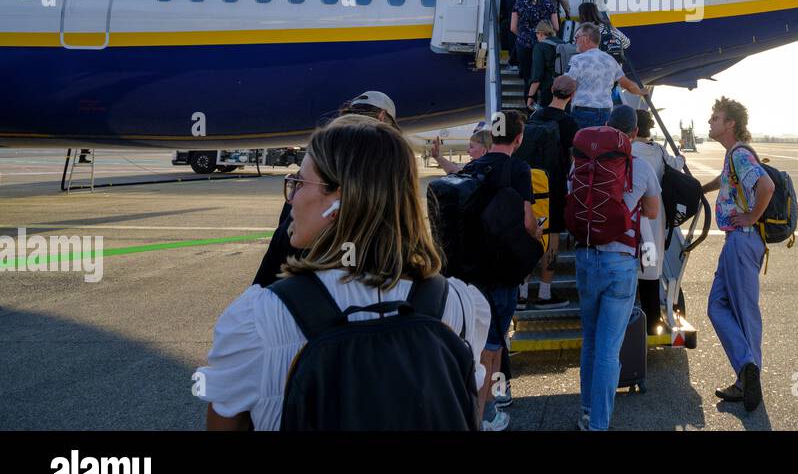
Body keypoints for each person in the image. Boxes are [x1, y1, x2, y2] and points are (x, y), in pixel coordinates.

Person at [198, 114, 491, 430]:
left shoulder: (260, 318)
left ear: (338, 201)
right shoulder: (460, 304)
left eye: (299, 182)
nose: (291, 198)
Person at [251, 91, 398, 288]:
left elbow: (270, 271)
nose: (292, 199)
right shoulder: (389, 201)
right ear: (382, 116)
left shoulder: (304, 196)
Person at [456, 109, 544, 431]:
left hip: (471, 270)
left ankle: (486, 404)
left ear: (491, 136)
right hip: (502, 270)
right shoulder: (518, 169)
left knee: (481, 341)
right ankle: (484, 413)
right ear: (518, 139)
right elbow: (526, 218)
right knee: (492, 347)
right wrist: (535, 236)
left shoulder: (472, 167)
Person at [574, 104, 660, 431]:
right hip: (620, 263)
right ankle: (598, 423)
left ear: (607, 126)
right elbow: (651, 213)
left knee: (591, 340)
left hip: (586, 257)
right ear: (635, 134)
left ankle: (586, 410)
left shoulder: (582, 165)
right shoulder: (640, 167)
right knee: (609, 349)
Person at [698, 96, 774, 413]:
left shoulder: (740, 154)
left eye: (715, 118)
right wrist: (698, 189)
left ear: (730, 124)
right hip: (736, 241)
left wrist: (752, 217)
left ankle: (748, 378)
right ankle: (746, 369)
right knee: (717, 305)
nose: (709, 122)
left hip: (742, 239)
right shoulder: (732, 156)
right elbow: (725, 181)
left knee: (744, 311)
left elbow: (765, 185)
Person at [528, 75, 580, 308]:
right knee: (553, 238)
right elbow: (573, 159)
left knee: (529, 235)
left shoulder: (534, 116)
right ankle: (545, 294)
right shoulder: (569, 123)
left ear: (551, 90)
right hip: (555, 186)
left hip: (531, 183)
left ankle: (521, 292)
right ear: (572, 95)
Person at [631, 110, 677, 333]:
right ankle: (652, 320)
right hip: (655, 217)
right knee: (650, 268)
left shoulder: (628, 150)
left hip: (634, 216)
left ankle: (630, 319)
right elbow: (676, 165)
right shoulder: (658, 150)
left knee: (630, 267)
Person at [567, 22, 648, 129]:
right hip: (605, 113)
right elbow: (628, 85)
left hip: (583, 112)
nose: (575, 41)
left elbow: (566, 86)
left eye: (576, 37)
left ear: (586, 38)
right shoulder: (611, 60)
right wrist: (641, 92)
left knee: (581, 142)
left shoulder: (578, 60)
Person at [511, 0, 558, 72]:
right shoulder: (548, 1)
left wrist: (523, 35)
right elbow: (556, 27)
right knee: (541, 77)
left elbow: (513, 28)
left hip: (523, 45)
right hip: (544, 44)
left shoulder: (519, 1)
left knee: (527, 78)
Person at [526, 21, 560, 111]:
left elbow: (537, 75)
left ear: (541, 33)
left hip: (548, 90)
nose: (536, 36)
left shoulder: (540, 47)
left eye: (536, 33)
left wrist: (530, 96)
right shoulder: (562, 44)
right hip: (565, 88)